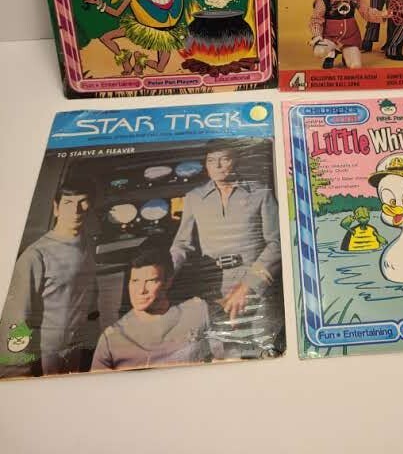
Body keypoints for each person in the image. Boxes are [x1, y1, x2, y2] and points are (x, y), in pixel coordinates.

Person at [170, 142, 283, 356]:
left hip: (257, 285)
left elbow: (277, 243)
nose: (218, 166)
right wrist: (166, 275)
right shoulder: (194, 197)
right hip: (213, 288)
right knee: (223, 353)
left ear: (236, 160)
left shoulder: (261, 193)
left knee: (264, 350)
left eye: (225, 159)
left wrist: (248, 285)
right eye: (211, 160)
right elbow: (181, 245)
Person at [0, 182, 98, 377]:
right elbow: (15, 318)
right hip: (44, 357)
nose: (76, 210)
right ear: (56, 208)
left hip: (77, 352)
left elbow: (90, 298)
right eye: (68, 202)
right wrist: (16, 371)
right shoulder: (35, 256)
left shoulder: (87, 244)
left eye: (82, 201)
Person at [91, 248, 220, 371]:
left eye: (151, 281)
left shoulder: (198, 311)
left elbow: (222, 363)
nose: (141, 290)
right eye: (135, 281)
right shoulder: (112, 339)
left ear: (167, 282)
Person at [309, 0, 388, 69]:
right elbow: (316, 20)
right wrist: (317, 37)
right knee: (319, 51)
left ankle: (342, 53)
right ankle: (331, 52)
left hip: (350, 39)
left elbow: (366, 12)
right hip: (330, 39)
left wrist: (383, 14)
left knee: (356, 66)